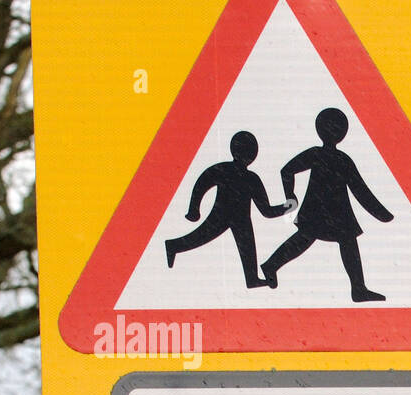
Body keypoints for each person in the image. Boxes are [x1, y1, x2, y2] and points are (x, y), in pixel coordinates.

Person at [261, 107, 393, 302]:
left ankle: (272, 265)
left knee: (310, 238)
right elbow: (360, 191)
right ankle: (357, 288)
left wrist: (291, 196)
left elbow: (360, 190)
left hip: (328, 211)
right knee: (330, 240)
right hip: (329, 211)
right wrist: (380, 213)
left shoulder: (325, 156)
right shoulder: (340, 159)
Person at [164, 131, 289, 287]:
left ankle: (252, 278)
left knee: (244, 247)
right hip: (224, 215)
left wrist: (285, 208)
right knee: (200, 237)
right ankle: (173, 246)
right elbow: (202, 183)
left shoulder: (239, 174)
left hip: (239, 219)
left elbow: (266, 211)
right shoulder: (242, 175)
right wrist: (193, 209)